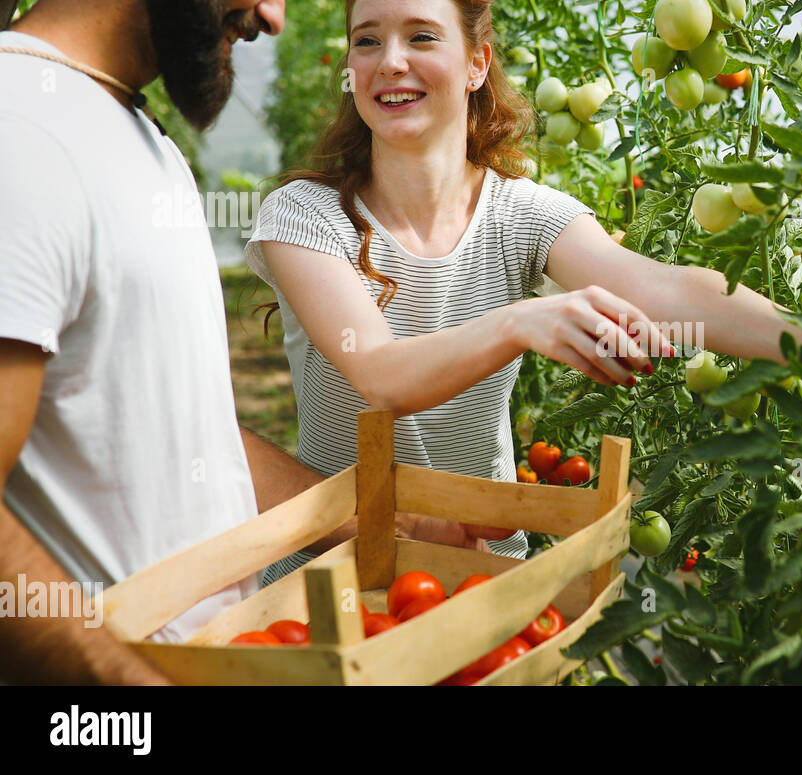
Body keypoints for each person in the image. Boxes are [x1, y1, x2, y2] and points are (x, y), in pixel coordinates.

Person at [247, 0, 802, 583]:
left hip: (485, 577)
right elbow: (380, 373)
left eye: (421, 36)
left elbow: (670, 291)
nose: (389, 61)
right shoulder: (306, 215)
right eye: (366, 41)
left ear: (475, 65)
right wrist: (522, 319)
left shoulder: (520, 213)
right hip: (343, 573)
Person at [0, 0, 472, 685]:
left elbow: (183, 439)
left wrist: (383, 519)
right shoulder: (23, 132)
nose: (273, 16)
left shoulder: (134, 135)